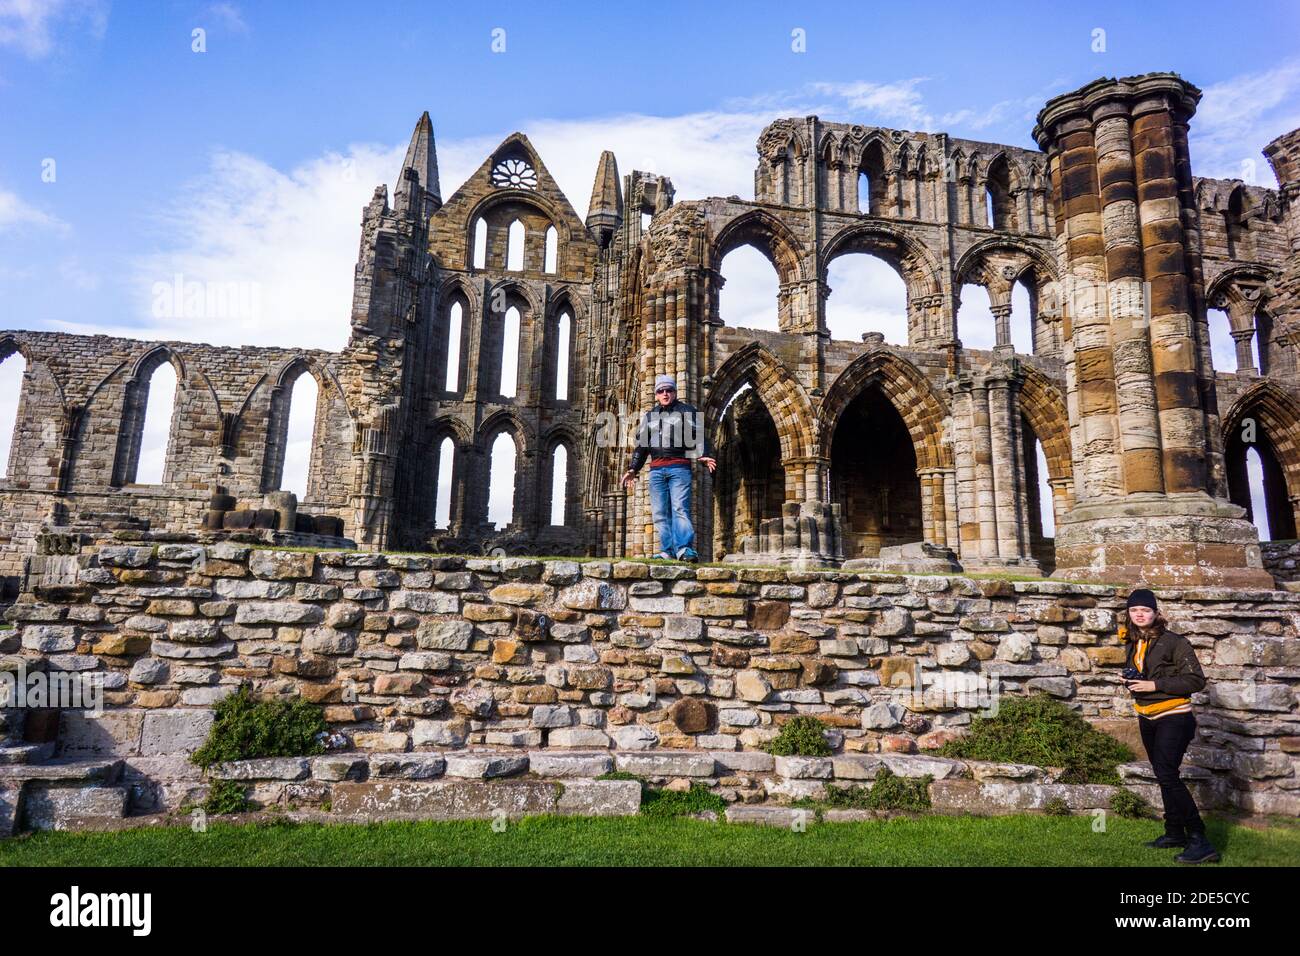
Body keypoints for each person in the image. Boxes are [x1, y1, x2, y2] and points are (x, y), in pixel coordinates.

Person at [1120, 588, 1219, 864]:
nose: (1139, 614)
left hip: (1174, 716)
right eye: (1134, 610)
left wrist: (1155, 684)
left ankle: (1200, 840)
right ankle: (1174, 831)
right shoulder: (1133, 641)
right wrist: (1130, 679)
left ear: (1156, 613)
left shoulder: (1176, 642)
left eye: (1145, 610)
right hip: (1147, 715)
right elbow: (1144, 672)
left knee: (1167, 774)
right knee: (1163, 773)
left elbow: (1196, 681)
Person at [620, 374, 716, 562]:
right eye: (661, 391)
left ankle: (684, 549)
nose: (665, 394)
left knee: (680, 508)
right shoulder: (651, 416)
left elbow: (698, 435)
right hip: (656, 470)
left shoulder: (686, 411)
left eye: (668, 390)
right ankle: (667, 550)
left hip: (679, 467)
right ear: (656, 394)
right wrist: (633, 469)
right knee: (660, 513)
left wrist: (703, 454)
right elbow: (642, 445)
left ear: (674, 392)